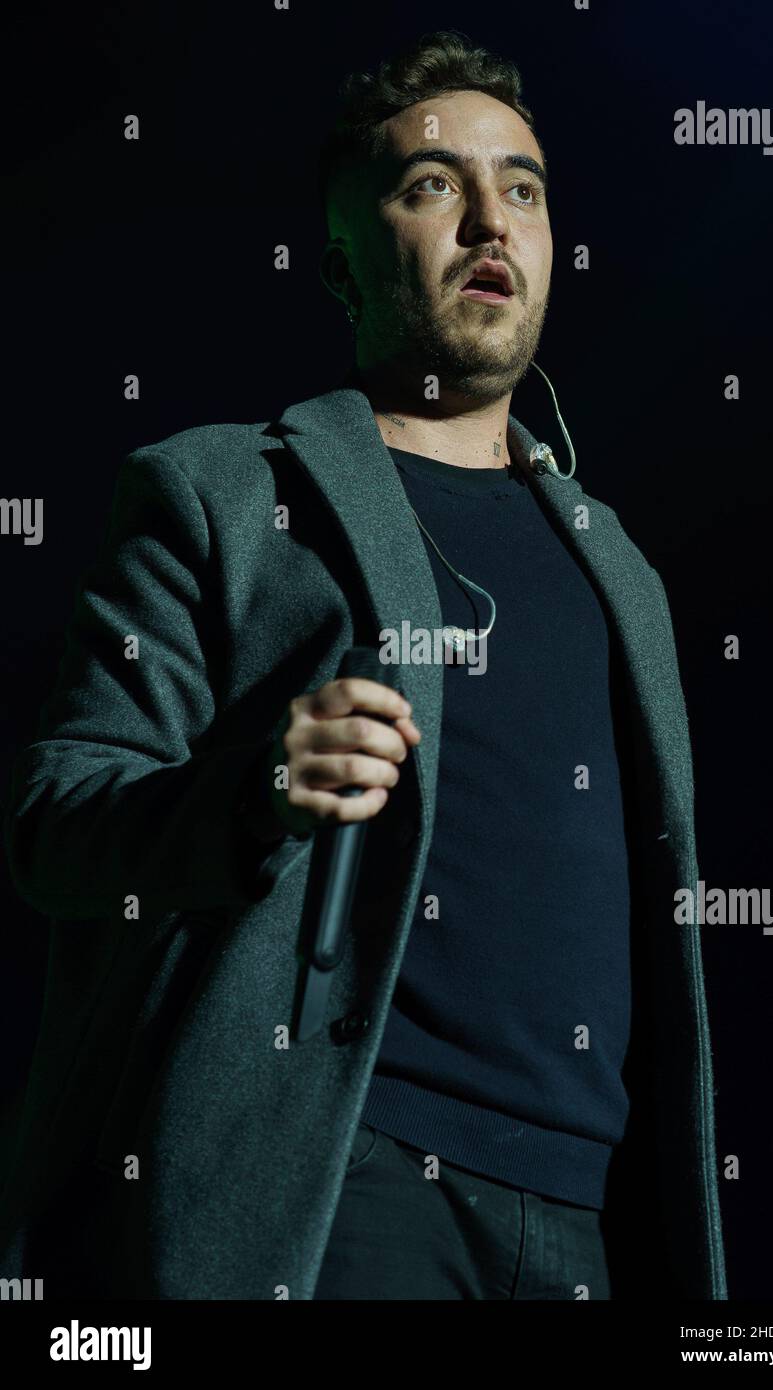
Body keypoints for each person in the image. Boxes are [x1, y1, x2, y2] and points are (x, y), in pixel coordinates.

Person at [0, 30, 726, 1300]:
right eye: (432, 184)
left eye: (523, 186)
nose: (489, 216)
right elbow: (55, 822)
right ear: (340, 261)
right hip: (350, 1181)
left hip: (594, 1213)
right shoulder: (220, 493)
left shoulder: (625, 571)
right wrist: (251, 790)